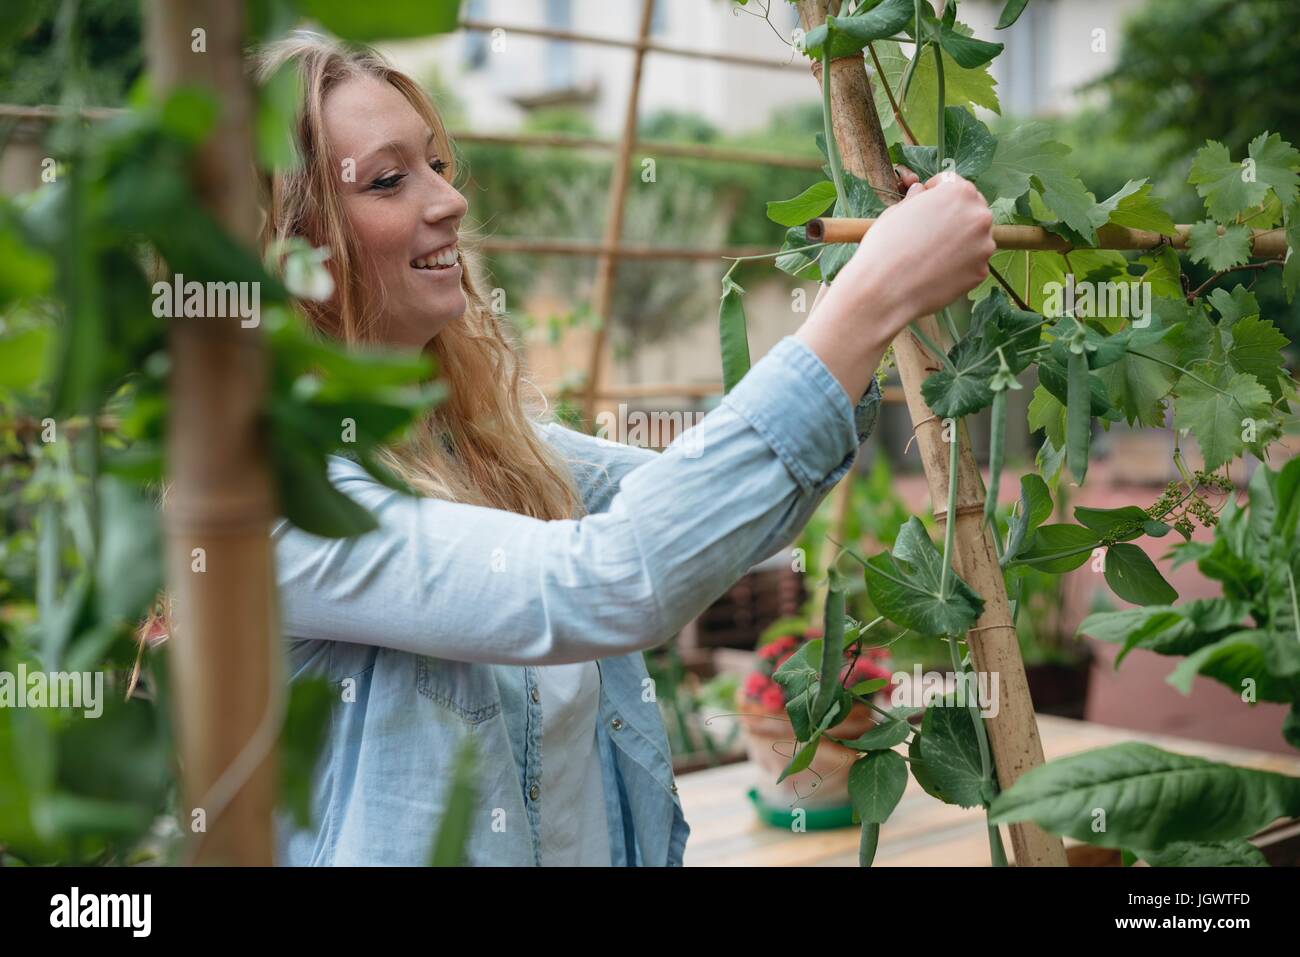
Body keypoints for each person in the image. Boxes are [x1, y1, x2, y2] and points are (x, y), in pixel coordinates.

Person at [254, 31, 995, 866]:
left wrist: (858, 298)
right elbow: (601, 580)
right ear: (290, 254)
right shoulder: (281, 495)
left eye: (437, 163)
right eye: (390, 180)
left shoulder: (474, 440)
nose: (449, 200)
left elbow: (715, 509)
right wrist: (871, 297)